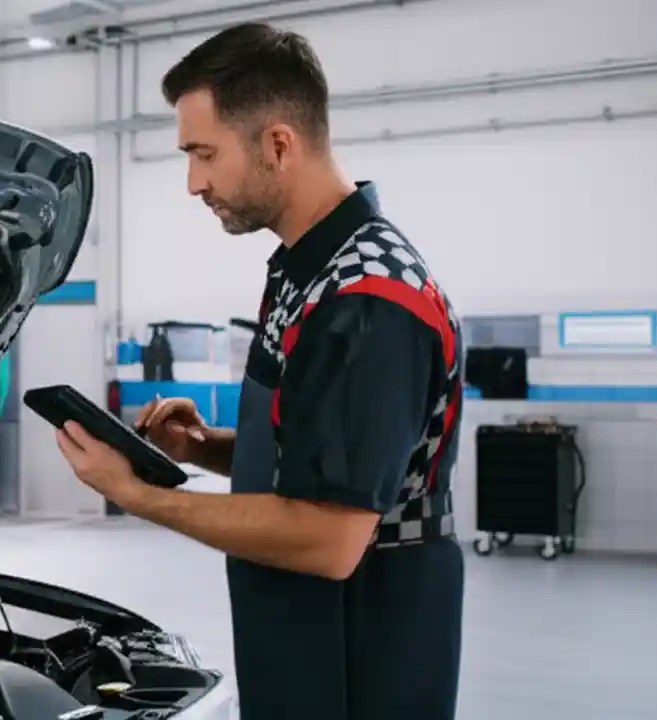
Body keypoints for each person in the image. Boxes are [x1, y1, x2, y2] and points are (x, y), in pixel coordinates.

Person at [52, 21, 464, 720]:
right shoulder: (311, 273)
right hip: (302, 639)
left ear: (277, 144)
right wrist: (203, 447)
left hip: (356, 658)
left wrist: (136, 494)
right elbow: (333, 461)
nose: (193, 183)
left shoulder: (367, 302)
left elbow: (329, 538)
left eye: (204, 154)